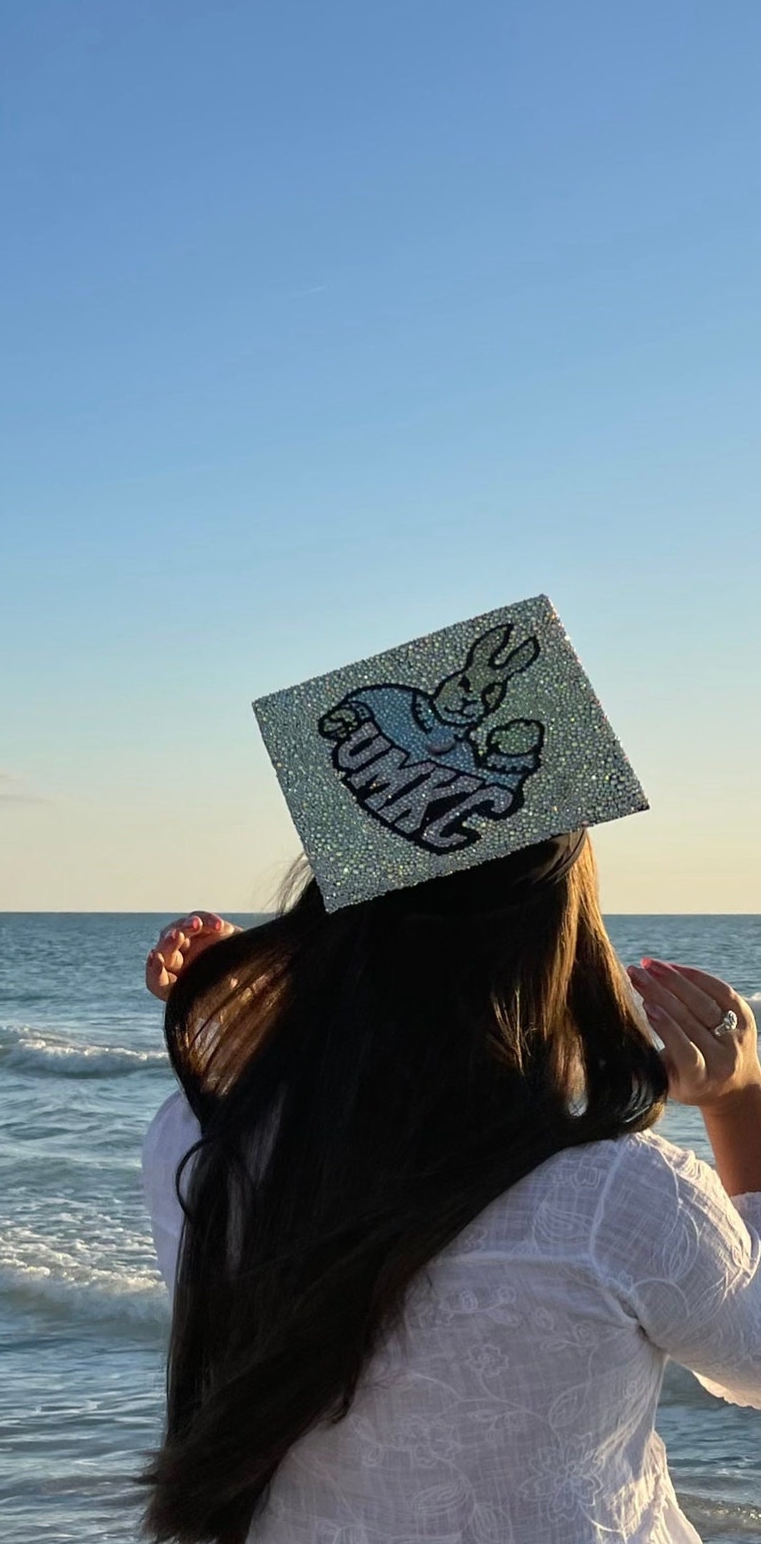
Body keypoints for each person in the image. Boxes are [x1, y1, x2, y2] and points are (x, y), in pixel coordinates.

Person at [135, 597, 761, 1544]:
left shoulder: (197, 1145)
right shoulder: (621, 1199)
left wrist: (276, 1034)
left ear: (335, 922)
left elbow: (355, 1201)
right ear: (555, 936)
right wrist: (744, 1103)